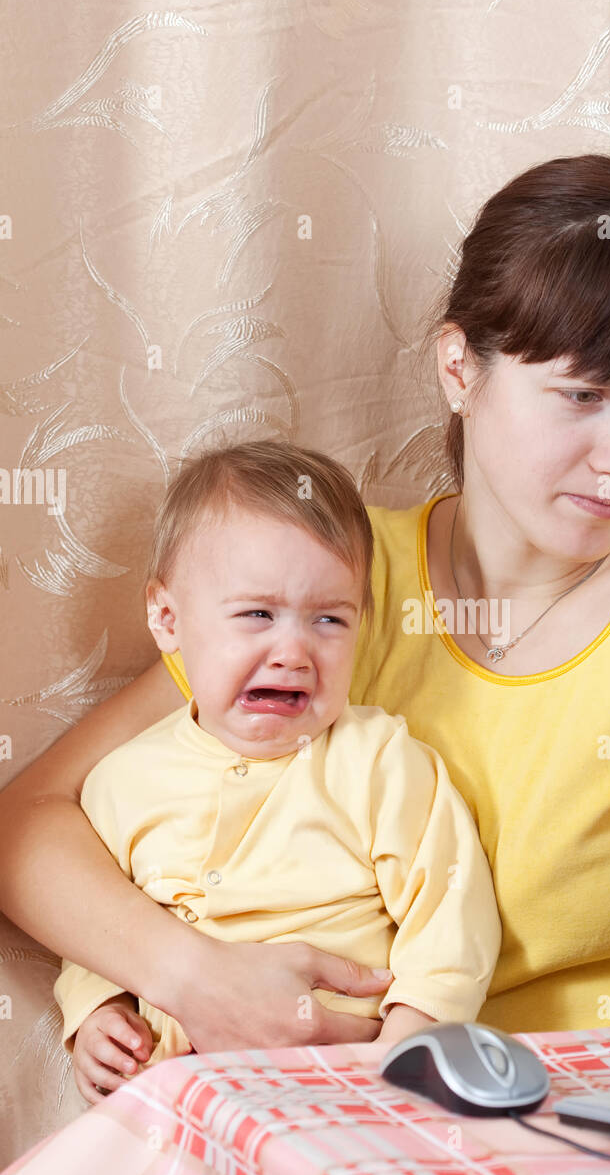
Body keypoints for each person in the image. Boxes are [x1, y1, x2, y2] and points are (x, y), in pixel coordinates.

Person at [0, 151, 610, 1054]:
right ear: (460, 368)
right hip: (364, 1129)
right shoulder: (330, 588)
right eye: (584, 395)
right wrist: (189, 977)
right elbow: (16, 831)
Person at [59, 440, 501, 1103]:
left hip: (345, 1083)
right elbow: (95, 931)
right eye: (257, 615)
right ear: (167, 618)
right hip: (177, 1096)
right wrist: (97, 1015)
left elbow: (453, 913)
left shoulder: (380, 761)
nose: (292, 652)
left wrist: (404, 1044)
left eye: (329, 619)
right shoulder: (121, 782)